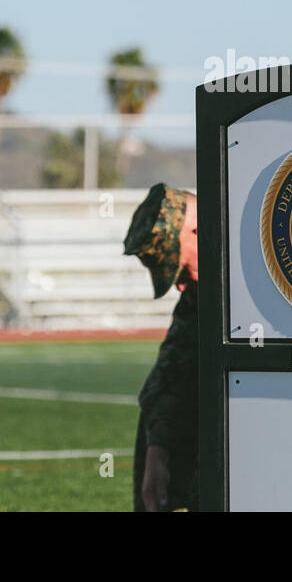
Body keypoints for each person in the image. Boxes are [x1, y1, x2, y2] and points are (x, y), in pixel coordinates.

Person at [124, 183, 199, 512]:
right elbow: (173, 367)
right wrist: (158, 450)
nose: (180, 285)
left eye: (180, 267)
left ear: (197, 229)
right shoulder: (201, 292)